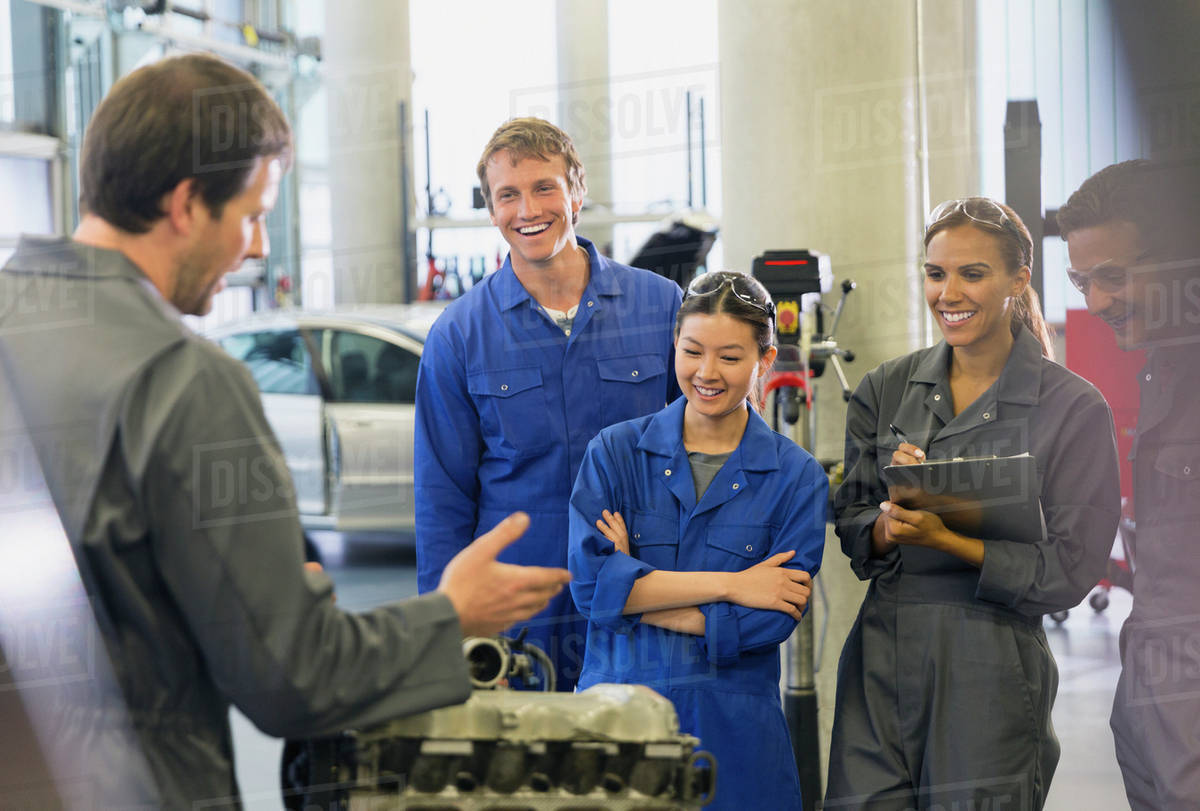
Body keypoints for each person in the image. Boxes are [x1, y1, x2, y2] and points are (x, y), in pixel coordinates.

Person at [0, 53, 570, 808]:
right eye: (254, 214)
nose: (259, 248)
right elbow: (294, 677)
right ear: (186, 205)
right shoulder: (181, 380)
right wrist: (451, 614)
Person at [824, 198, 1121, 810]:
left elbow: (1070, 568)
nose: (948, 293)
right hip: (882, 658)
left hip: (992, 663)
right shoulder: (885, 388)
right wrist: (887, 526)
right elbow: (852, 519)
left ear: (1018, 280)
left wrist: (949, 540)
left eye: (972, 274)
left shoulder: (1072, 408)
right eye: (936, 274)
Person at [414, 117, 683, 691]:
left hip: (644, 594)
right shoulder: (459, 335)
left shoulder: (660, 307)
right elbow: (442, 501)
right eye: (507, 195)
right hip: (518, 613)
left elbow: (709, 449)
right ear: (492, 210)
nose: (528, 210)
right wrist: (449, 634)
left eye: (544, 188)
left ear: (577, 192)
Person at [567, 271, 828, 810]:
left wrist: (632, 591)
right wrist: (733, 586)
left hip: (735, 736)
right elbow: (590, 588)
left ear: (765, 359)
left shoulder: (797, 478)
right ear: (675, 346)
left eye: (729, 357)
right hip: (619, 720)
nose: (706, 373)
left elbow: (770, 619)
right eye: (692, 352)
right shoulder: (614, 453)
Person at [1058, 160, 1200, 810]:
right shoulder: (1163, 368)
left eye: (1113, 277)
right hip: (1150, 687)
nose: (1095, 303)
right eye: (1082, 281)